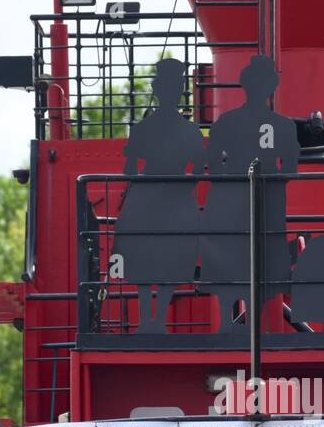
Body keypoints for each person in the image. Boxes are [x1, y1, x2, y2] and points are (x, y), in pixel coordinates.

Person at [200, 56, 299, 336]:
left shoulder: (226, 123)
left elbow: (212, 164)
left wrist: (233, 175)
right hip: (263, 200)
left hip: (237, 199)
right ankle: (252, 326)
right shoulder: (283, 126)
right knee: (244, 256)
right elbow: (291, 167)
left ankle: (234, 326)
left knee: (234, 256)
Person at [113, 58, 204, 333]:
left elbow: (129, 170)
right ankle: (157, 321)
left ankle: (147, 322)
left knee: (144, 258)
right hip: (176, 198)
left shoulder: (142, 128)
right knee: (170, 258)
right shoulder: (190, 131)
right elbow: (199, 170)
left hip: (145, 197)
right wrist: (182, 187)